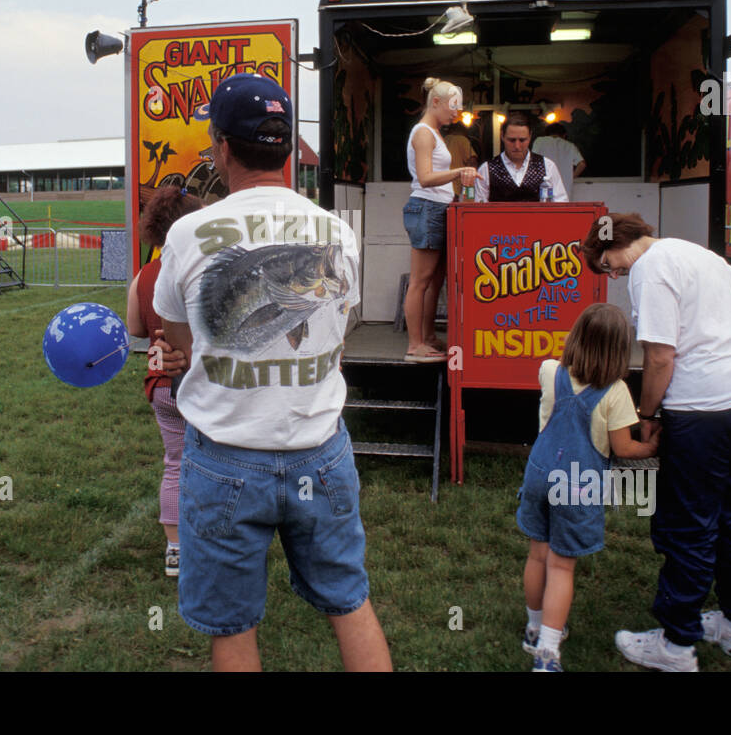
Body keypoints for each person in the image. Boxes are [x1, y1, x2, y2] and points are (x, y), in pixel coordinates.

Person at [152, 73, 392, 672]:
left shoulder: (186, 234)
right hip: (322, 451)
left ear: (221, 147)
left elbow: (180, 339)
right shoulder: (338, 232)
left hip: (225, 456)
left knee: (232, 627)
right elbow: (338, 321)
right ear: (286, 148)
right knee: (351, 603)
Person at [581, 213, 731, 671]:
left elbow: (659, 356)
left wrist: (647, 415)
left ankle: (676, 645)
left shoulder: (649, 271)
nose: (613, 275)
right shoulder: (694, 251)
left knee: (688, 524)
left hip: (701, 412)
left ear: (619, 242)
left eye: (607, 264)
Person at [518, 303, 656, 672]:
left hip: (539, 474)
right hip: (577, 486)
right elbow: (624, 449)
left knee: (537, 555)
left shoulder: (549, 371)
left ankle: (533, 629)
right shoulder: (617, 394)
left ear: (576, 337)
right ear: (619, 351)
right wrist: (653, 446)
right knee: (562, 568)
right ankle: (548, 652)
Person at [125, 185, 203, 578]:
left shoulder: (144, 275)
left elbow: (135, 327)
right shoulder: (200, 270)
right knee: (212, 463)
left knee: (174, 463)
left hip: (160, 386)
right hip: (201, 384)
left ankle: (175, 549)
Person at [403, 77, 478, 362]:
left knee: (435, 280)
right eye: (452, 107)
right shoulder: (423, 133)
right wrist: (459, 172)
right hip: (427, 207)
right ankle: (414, 344)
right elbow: (424, 178)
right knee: (421, 281)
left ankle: (428, 337)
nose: (456, 113)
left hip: (438, 207)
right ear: (435, 102)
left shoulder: (433, 132)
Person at [475, 114, 567, 203]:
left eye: (522, 140)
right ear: (502, 136)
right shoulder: (486, 169)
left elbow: (561, 204)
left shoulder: (548, 166)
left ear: (530, 137)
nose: (517, 146)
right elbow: (478, 208)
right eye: (512, 140)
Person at [531, 122, 587, 198]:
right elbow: (582, 164)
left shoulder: (539, 141)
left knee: (546, 208)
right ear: (564, 135)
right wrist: (570, 177)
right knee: (562, 209)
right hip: (564, 190)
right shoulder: (570, 146)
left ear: (547, 134)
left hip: (545, 188)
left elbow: (532, 160)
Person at [442, 120, 478, 200]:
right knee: (456, 211)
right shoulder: (462, 140)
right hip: (455, 188)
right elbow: (472, 163)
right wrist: (469, 195)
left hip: (441, 187)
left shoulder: (443, 140)